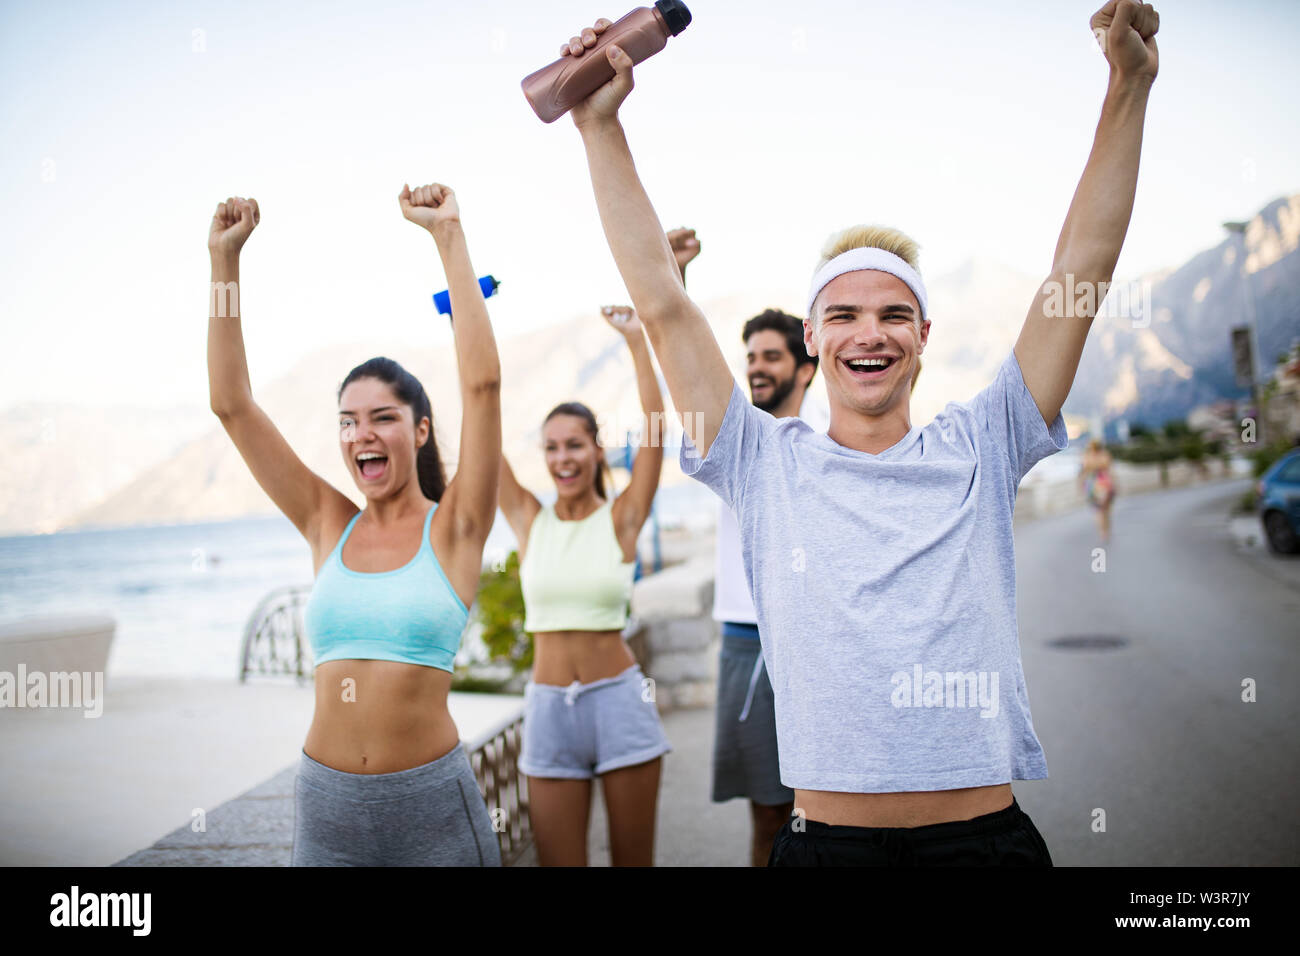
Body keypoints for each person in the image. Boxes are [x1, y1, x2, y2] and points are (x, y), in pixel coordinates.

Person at [556, 0, 1159, 865]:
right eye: (842, 314)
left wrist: (1127, 84)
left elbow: (1080, 270)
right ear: (812, 338)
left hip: (983, 847)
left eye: (892, 315)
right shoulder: (759, 459)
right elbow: (661, 296)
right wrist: (598, 127)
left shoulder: (982, 443)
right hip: (828, 848)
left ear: (923, 337)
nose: (867, 333)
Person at [206, 183, 504, 865]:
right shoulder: (324, 523)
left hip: (432, 810)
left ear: (420, 430)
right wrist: (225, 264)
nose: (361, 434)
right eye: (348, 420)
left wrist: (447, 236)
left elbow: (483, 386)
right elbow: (231, 405)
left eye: (382, 418)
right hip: (327, 811)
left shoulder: (455, 528)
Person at [497, 297, 670, 866]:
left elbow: (655, 429)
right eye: (550, 447)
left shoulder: (621, 519)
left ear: (596, 449)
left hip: (619, 702)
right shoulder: (529, 520)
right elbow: (482, 432)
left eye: (574, 444)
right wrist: (465, 318)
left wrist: (635, 341)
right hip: (549, 710)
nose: (562, 459)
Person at [1079, 437, 1117, 543]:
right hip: (1105, 482)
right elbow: (1111, 470)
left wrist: (1081, 486)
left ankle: (1103, 531)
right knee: (1106, 510)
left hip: (1093, 484)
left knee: (1098, 510)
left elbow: (1083, 473)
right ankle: (1106, 530)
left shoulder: (1087, 457)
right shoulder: (1105, 456)